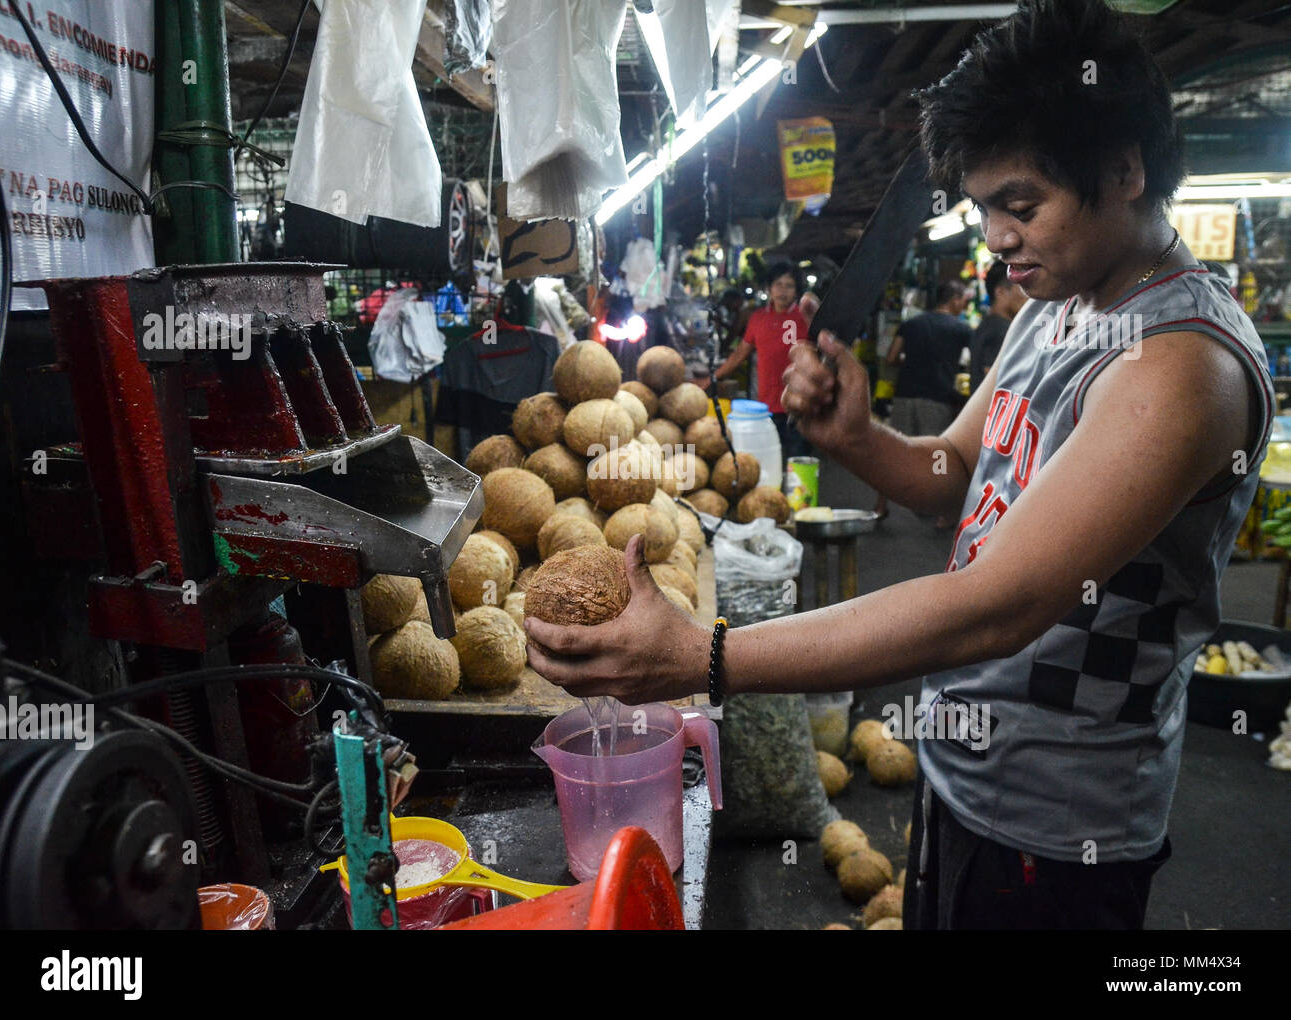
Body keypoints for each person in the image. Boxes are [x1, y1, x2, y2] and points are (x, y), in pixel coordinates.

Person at [524, 0, 1272, 930]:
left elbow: (1001, 604)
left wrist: (705, 657)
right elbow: (957, 472)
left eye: (1021, 205)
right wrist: (858, 438)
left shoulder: (1180, 365)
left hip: (1059, 820)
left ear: (1124, 170)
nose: (997, 238)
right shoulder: (1058, 303)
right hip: (968, 772)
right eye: (986, 207)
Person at [875, 281, 972, 523]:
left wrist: (911, 363)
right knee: (938, 456)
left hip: (905, 394)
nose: (964, 306)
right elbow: (975, 361)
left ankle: (880, 505)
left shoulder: (911, 324)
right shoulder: (961, 329)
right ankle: (942, 513)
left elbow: (891, 357)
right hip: (936, 398)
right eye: (963, 301)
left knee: (896, 453)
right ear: (955, 300)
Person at [712, 261, 812, 459]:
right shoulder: (757, 318)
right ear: (769, 288)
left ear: (796, 291)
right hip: (765, 407)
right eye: (778, 284)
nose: (783, 291)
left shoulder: (805, 317)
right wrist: (712, 379)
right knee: (767, 460)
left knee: (797, 464)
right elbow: (740, 354)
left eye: (789, 285)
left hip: (799, 406)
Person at [969, 260, 1027, 396]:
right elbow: (996, 384)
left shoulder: (987, 325)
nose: (1027, 297)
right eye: (1022, 288)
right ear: (1001, 292)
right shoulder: (1002, 330)